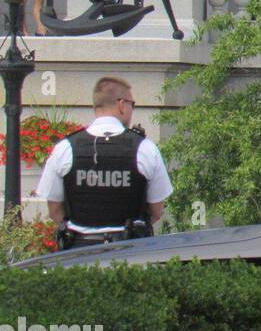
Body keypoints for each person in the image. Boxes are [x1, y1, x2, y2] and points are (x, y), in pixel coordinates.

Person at [35, 76, 173, 248]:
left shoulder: (65, 148)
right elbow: (156, 211)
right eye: (132, 105)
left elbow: (54, 210)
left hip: (77, 252)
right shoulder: (145, 148)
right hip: (130, 253)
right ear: (122, 104)